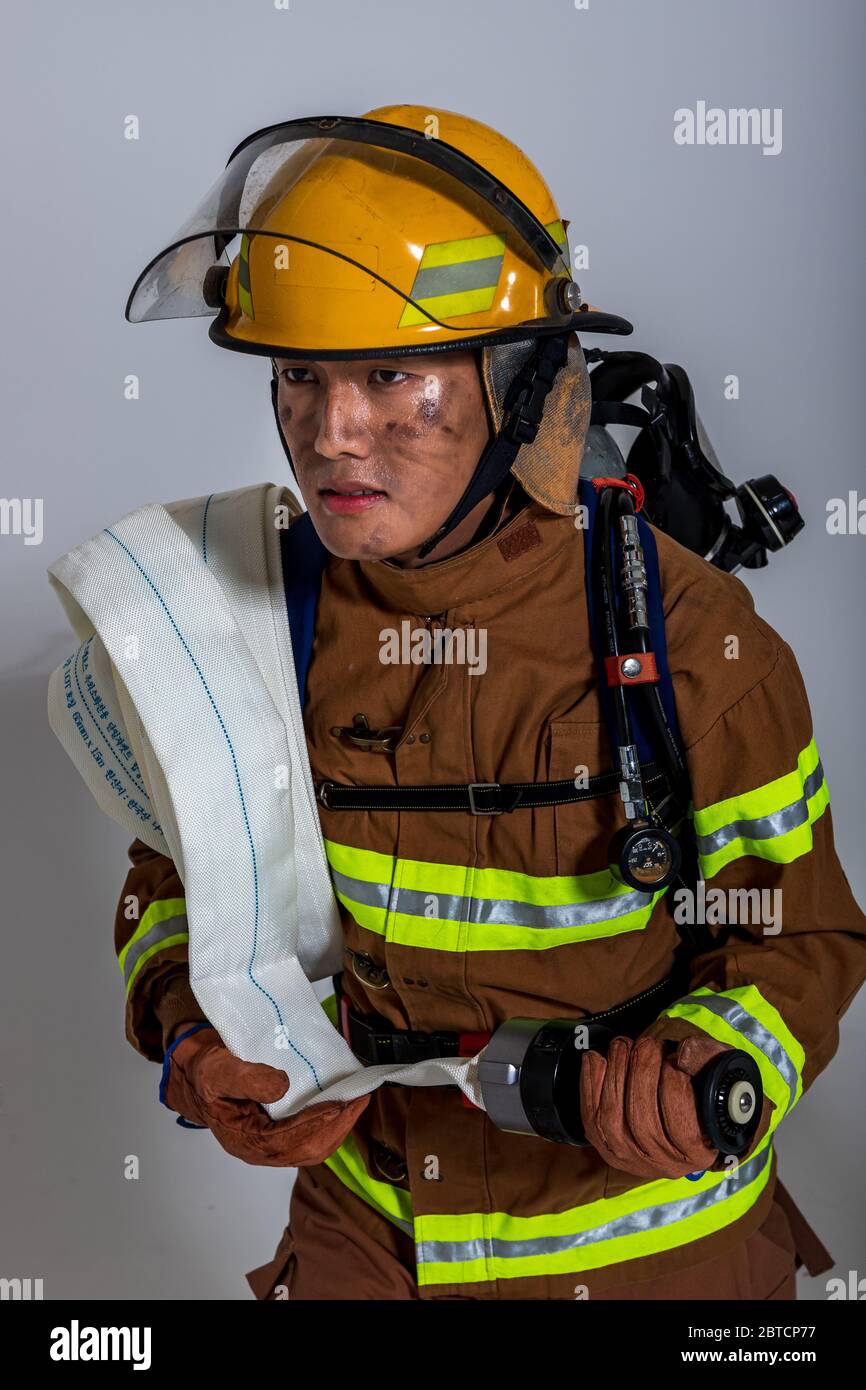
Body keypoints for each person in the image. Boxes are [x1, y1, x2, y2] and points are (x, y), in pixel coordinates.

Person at [94, 105, 866, 1299]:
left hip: (644, 1256)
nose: (331, 432)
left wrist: (714, 1054)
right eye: (300, 376)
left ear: (516, 384)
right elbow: (173, 885)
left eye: (390, 376)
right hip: (366, 1235)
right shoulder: (238, 617)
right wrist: (192, 1035)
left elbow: (798, 933)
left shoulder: (690, 637)